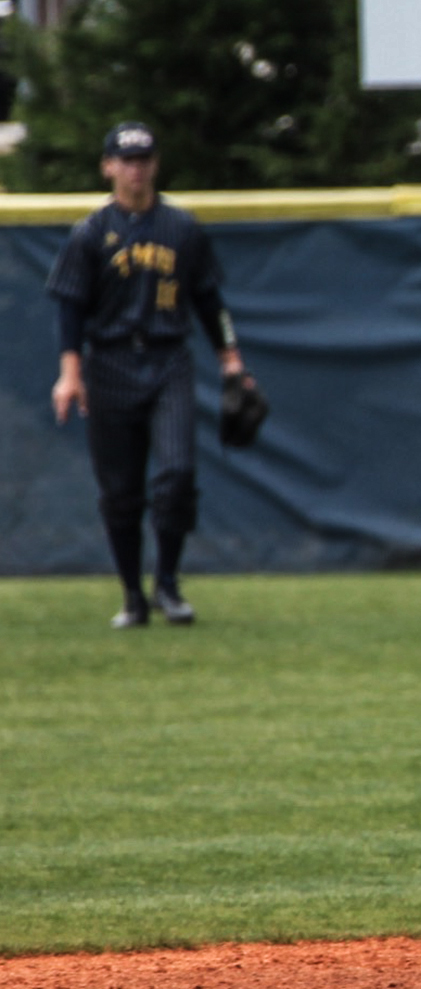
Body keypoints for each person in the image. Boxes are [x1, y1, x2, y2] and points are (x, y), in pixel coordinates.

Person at [48, 121, 252, 629]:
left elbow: (209, 300)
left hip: (167, 360)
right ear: (108, 166)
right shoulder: (90, 233)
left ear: (155, 165)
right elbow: (71, 309)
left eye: (143, 159)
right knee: (120, 492)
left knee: (177, 474)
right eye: (126, 159)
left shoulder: (182, 228)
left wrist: (231, 360)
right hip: (110, 361)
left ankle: (167, 582)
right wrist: (70, 375)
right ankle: (131, 596)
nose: (135, 169)